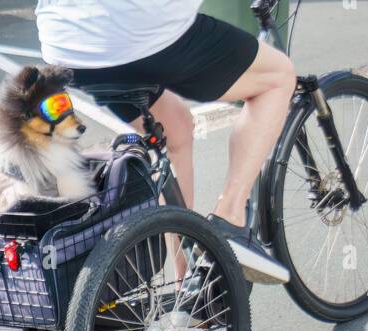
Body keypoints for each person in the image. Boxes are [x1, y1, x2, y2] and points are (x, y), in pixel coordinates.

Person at [34, 0, 295, 279]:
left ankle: (189, 282)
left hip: (66, 43)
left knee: (176, 131)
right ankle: (230, 219)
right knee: (277, 76)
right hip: (141, 32)